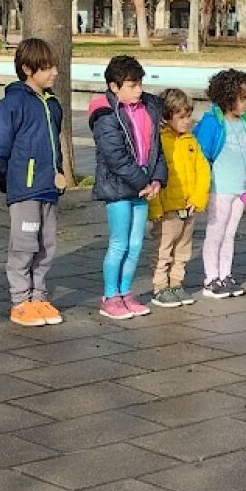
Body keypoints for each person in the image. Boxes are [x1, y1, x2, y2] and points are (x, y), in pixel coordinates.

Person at [0, 37, 67, 328]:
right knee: (24, 245)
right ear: (28, 69)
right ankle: (20, 300)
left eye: (54, 67)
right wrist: (9, 182)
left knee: (47, 244)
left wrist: (58, 174)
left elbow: (55, 144)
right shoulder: (13, 103)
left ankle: (38, 296)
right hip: (25, 190)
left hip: (49, 188)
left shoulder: (53, 104)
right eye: (47, 68)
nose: (54, 73)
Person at [88, 56, 167, 320]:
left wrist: (157, 179)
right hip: (119, 189)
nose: (138, 90)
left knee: (135, 244)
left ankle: (125, 293)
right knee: (119, 243)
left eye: (139, 84)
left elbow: (156, 149)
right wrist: (143, 182)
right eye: (131, 85)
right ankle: (110, 296)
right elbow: (115, 156)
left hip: (142, 188)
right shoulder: (105, 115)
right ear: (114, 87)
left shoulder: (149, 108)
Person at [195, 69, 246, 296]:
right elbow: (202, 155)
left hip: (239, 190)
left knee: (230, 234)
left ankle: (225, 274)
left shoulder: (244, 122)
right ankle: (211, 278)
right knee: (215, 232)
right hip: (219, 189)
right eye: (244, 98)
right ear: (228, 98)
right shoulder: (213, 122)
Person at [148, 88, 210, 309]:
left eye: (188, 115)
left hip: (188, 206)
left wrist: (198, 198)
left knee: (183, 250)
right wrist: (155, 207)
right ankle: (160, 287)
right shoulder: (160, 141)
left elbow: (203, 170)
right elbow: (153, 175)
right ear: (166, 116)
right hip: (168, 208)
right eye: (181, 117)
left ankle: (176, 283)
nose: (187, 121)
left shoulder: (190, 141)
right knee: (163, 250)